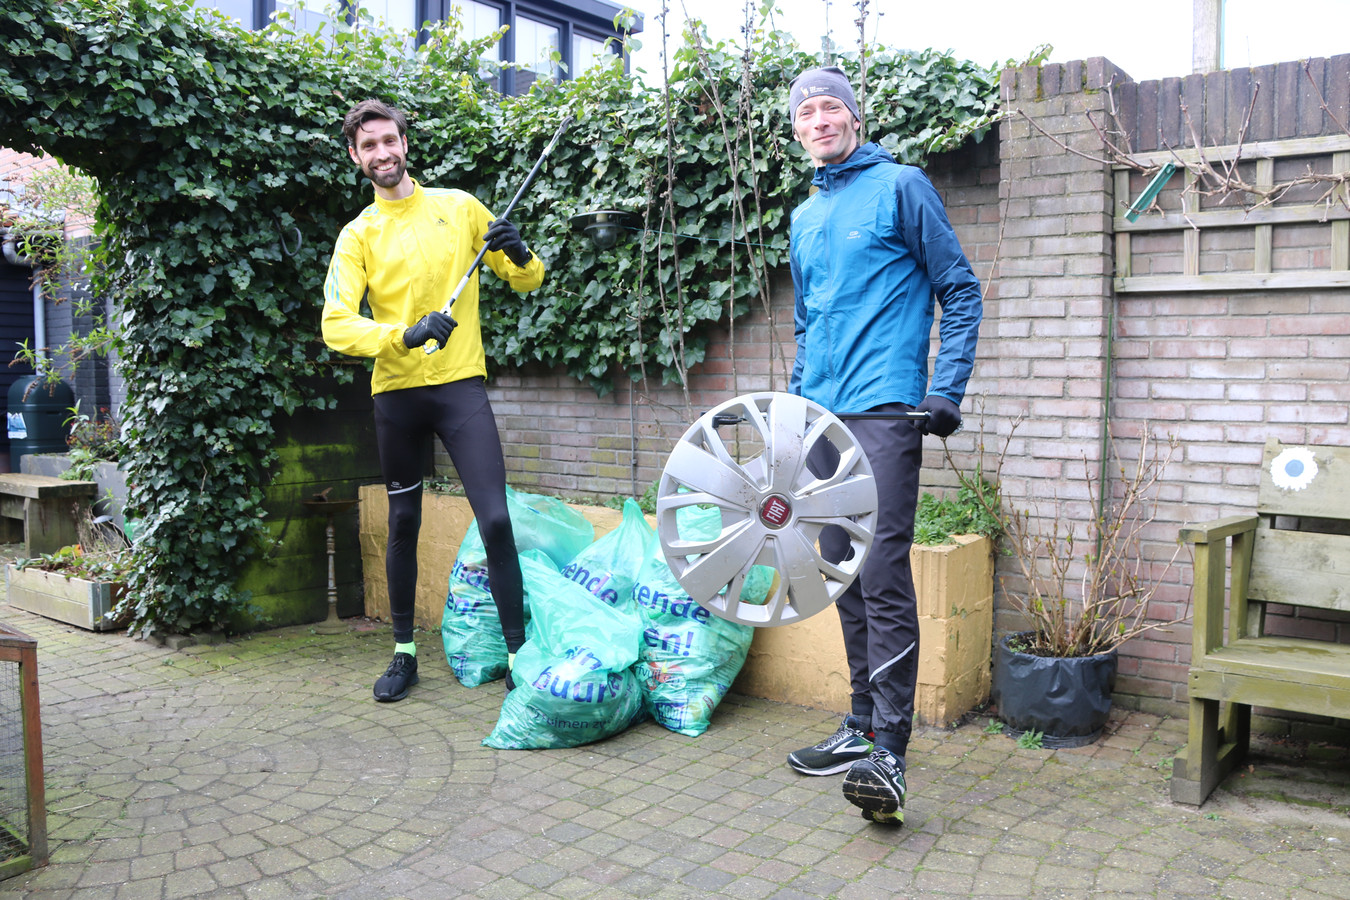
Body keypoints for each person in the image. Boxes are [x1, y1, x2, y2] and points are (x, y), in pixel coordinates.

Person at [782, 67, 982, 826]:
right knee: (841, 570)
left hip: (887, 408)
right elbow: (807, 323)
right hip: (822, 417)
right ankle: (862, 723)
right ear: (797, 130)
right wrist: (794, 408)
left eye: (831, 107)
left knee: (882, 571)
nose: (820, 119)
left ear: (854, 119)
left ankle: (890, 748)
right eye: (807, 112)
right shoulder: (805, 216)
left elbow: (959, 289)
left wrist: (946, 387)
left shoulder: (902, 187)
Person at [322, 99, 544, 702]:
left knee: (495, 518)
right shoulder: (357, 235)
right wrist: (403, 335)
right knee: (404, 521)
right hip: (397, 394)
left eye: (389, 140)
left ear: (404, 144)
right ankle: (404, 654)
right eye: (369, 146)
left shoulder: (460, 206)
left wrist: (519, 252)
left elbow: (526, 280)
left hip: (459, 387)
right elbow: (336, 324)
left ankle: (518, 654)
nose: (382, 153)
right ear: (356, 157)